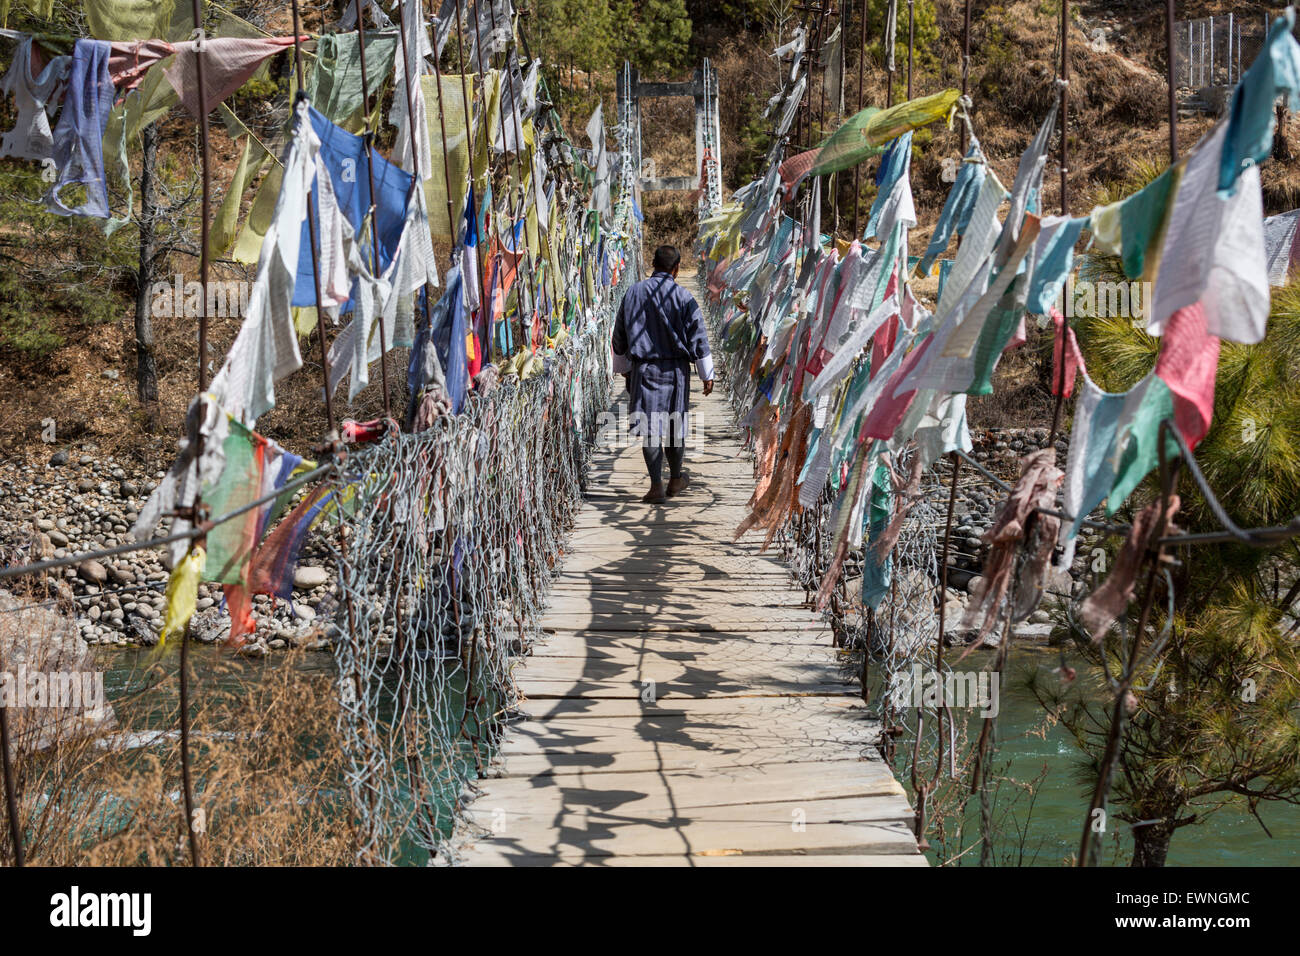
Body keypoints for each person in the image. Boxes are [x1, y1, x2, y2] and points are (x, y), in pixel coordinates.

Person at [612, 244, 714, 503]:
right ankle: (676, 478)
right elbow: (698, 336)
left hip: (644, 369)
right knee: (674, 427)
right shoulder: (684, 297)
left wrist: (623, 368)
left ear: (652, 265)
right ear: (677, 269)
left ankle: (656, 486)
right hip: (676, 372)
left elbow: (619, 334)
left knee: (649, 429)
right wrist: (706, 374)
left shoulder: (633, 293)